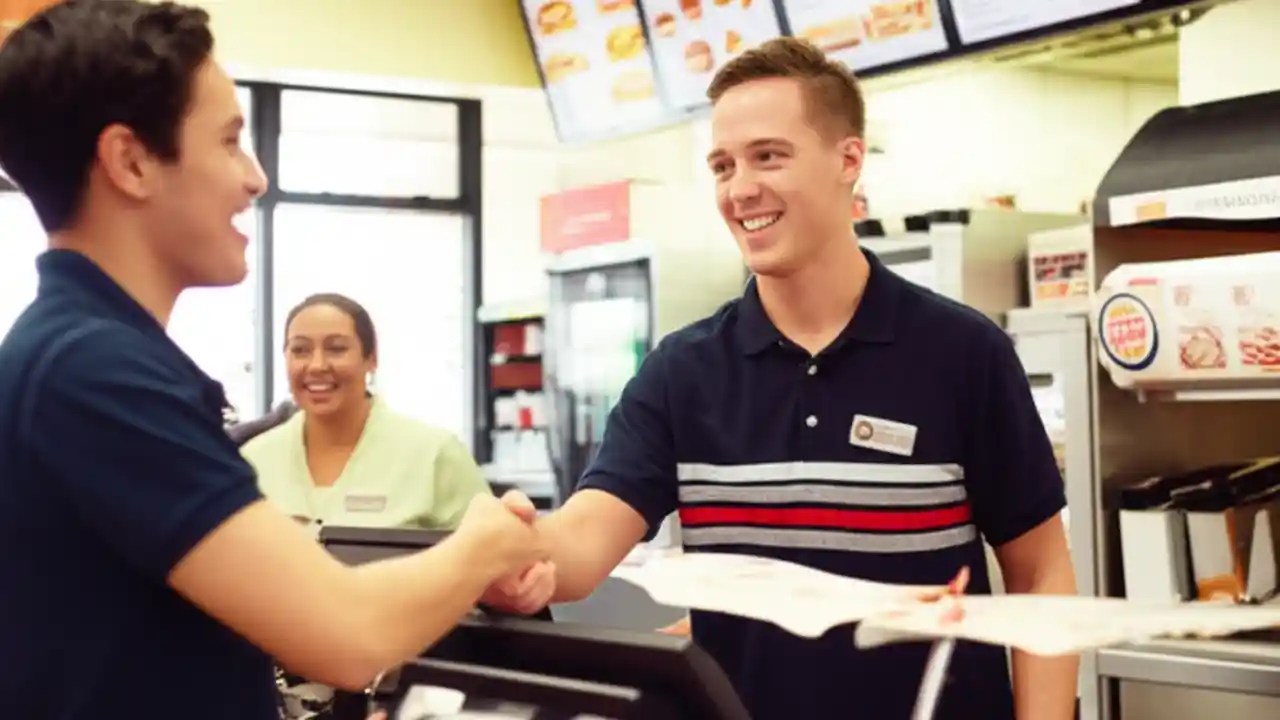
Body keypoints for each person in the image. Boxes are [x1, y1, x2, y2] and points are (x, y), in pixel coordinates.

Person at [485, 37, 1078, 720]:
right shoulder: (682, 373)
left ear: (847, 160)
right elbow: (584, 540)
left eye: (768, 156)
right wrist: (519, 552)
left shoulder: (963, 352)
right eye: (722, 165)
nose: (740, 189)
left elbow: (1040, 571)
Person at [0, 3, 552, 719]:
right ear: (131, 162)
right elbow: (348, 633)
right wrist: (484, 543)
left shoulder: (78, 354)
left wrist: (455, 576)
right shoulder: (94, 373)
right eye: (230, 141)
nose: (254, 177)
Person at [241, 293, 491, 531]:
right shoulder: (252, 462)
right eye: (300, 350)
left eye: (336, 349)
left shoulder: (435, 455)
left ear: (371, 358)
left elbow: (496, 556)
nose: (317, 365)